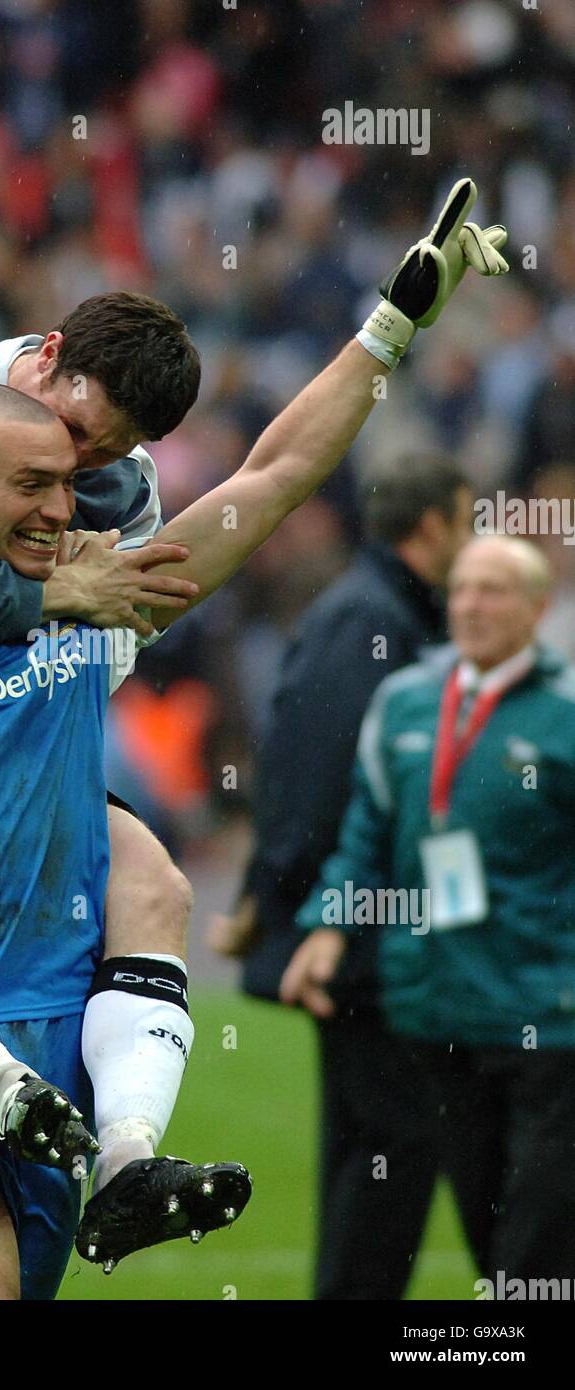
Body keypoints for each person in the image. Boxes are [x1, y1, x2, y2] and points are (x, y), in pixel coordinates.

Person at [0, 98, 508, 1293]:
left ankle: (128, 1155)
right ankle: (19, 1094)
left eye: (87, 480)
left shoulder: (110, 579)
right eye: (38, 475)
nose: (66, 499)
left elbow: (271, 479)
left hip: (58, 989)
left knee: (154, 880)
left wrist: (388, 331)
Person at [211, 452, 474, 1299]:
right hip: (359, 935)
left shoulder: (378, 613)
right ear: (430, 527)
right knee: (395, 1140)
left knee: (376, 1140)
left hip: (356, 924)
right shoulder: (372, 621)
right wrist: (284, 897)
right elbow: (315, 776)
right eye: (467, 522)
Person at [284, 535, 575, 1289]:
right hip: (437, 1004)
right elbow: (366, 834)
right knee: (484, 1223)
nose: (471, 606)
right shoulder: (406, 700)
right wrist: (328, 924)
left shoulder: (564, 712)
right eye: (462, 589)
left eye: (494, 591)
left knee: (538, 1229)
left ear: (537, 608)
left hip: (548, 1007)